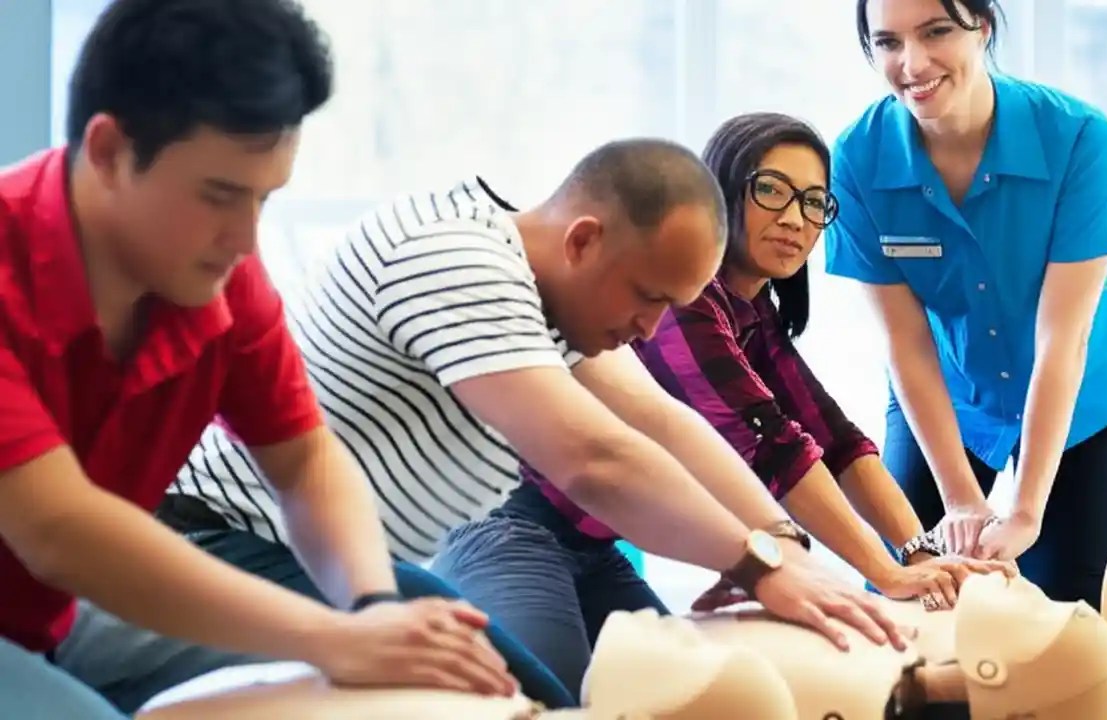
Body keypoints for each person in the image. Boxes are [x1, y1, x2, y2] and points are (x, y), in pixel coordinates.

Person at [170, 137, 909, 703]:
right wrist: (756, 564)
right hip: (227, 538)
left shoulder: (546, 288)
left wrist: (784, 549)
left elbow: (661, 420)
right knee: (540, 702)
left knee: (674, 688)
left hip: (341, 560)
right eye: (647, 298)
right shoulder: (456, 258)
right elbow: (596, 459)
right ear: (583, 239)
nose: (652, 331)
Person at [0, 1, 517, 717]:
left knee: (436, 639)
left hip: (57, 618)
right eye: (219, 196)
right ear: (111, 150)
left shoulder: (217, 276)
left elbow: (304, 461)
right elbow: (59, 530)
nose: (245, 237)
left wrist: (369, 606)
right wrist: (333, 639)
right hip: (48, 591)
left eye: (264, 199)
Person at [825, 0, 1107, 611]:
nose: (912, 63)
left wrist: (1025, 511)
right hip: (949, 396)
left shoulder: (1077, 137)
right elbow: (907, 343)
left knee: (1070, 624)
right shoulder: (858, 159)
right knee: (901, 596)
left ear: (984, 26)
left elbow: (1064, 340)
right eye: (888, 42)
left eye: (936, 31)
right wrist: (961, 500)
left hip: (1082, 397)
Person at [629, 111, 1013, 617]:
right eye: (771, 190)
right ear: (719, 192)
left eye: (813, 202)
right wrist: (887, 572)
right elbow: (773, 448)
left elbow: (837, 440)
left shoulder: (756, 315)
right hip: (529, 529)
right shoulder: (686, 302)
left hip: (597, 546)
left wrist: (920, 551)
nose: (794, 219)